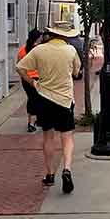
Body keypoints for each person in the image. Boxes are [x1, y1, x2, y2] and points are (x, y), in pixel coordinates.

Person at [16, 23, 81, 192]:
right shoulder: (71, 50)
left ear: (51, 34)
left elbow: (20, 67)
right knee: (67, 137)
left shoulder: (39, 50)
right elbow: (76, 72)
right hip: (65, 100)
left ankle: (50, 174)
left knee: (48, 136)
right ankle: (67, 169)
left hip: (44, 98)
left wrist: (32, 82)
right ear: (66, 36)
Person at [17, 29, 42, 132]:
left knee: (32, 99)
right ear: (37, 38)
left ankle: (32, 121)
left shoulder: (22, 50)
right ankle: (34, 121)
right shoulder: (39, 50)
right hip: (38, 78)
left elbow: (18, 64)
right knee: (38, 99)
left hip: (26, 79)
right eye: (40, 37)